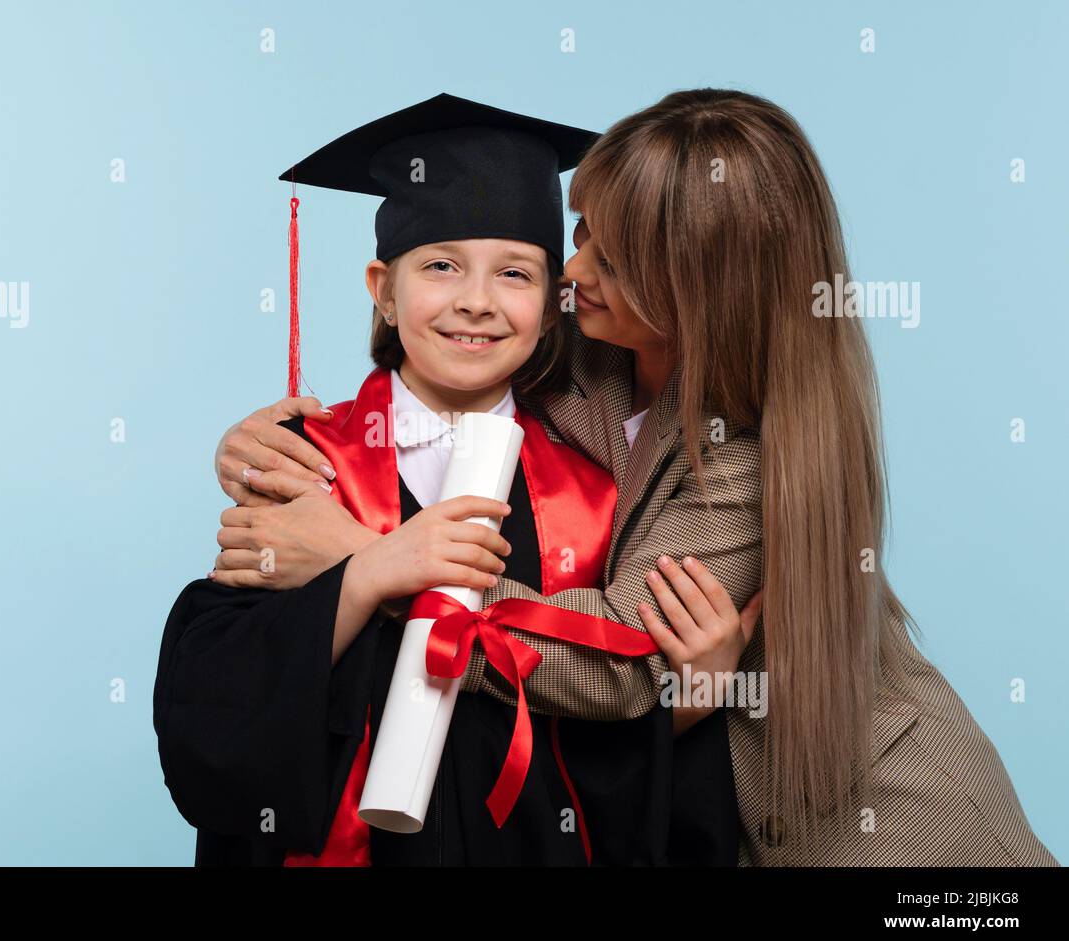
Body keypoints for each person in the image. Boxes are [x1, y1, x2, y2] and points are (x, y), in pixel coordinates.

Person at [212, 89, 1057, 866]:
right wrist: (265, 441)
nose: (573, 274)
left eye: (609, 262)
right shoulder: (589, 344)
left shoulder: (751, 457)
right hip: (706, 807)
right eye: (580, 236)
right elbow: (452, 351)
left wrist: (365, 563)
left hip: (888, 831)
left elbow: (618, 660)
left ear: (697, 295)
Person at [154, 94, 742, 866]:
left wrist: (697, 694)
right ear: (383, 290)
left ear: (553, 304)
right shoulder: (304, 462)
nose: (475, 300)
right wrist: (363, 578)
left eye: (514, 273)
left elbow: (612, 729)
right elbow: (221, 699)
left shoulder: (595, 493)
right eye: (439, 266)